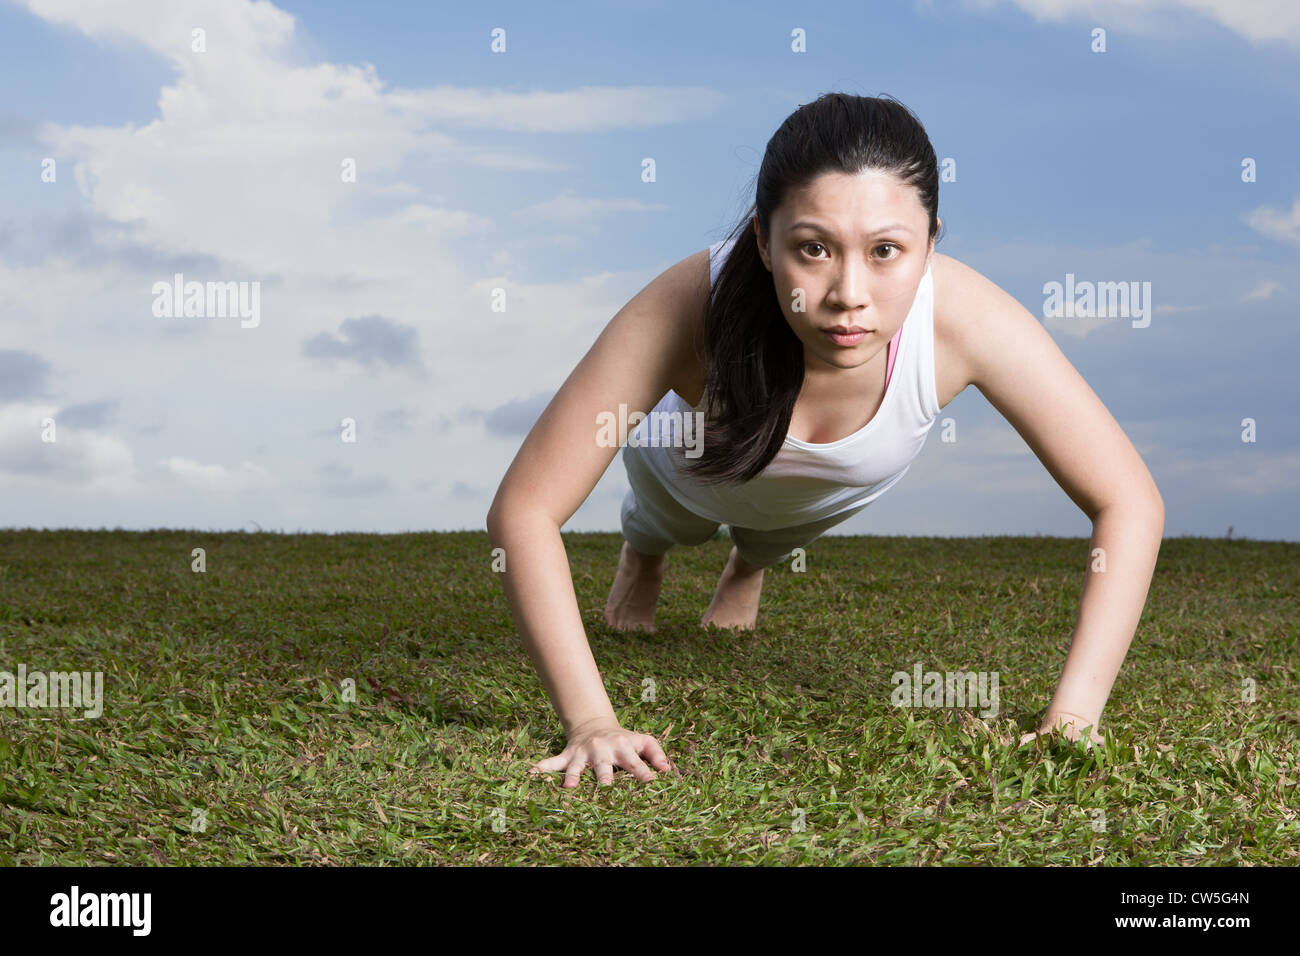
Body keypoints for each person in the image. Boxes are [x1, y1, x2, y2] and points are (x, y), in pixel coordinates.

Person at [486, 92, 1164, 788]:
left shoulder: (973, 321)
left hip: (830, 491)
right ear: (762, 240)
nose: (849, 293)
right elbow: (524, 510)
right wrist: (592, 722)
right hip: (688, 460)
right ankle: (646, 553)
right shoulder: (684, 304)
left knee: (781, 529)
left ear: (932, 241)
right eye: (814, 248)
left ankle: (748, 565)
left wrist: (1075, 715)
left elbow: (1128, 501)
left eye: (886, 251)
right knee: (675, 519)